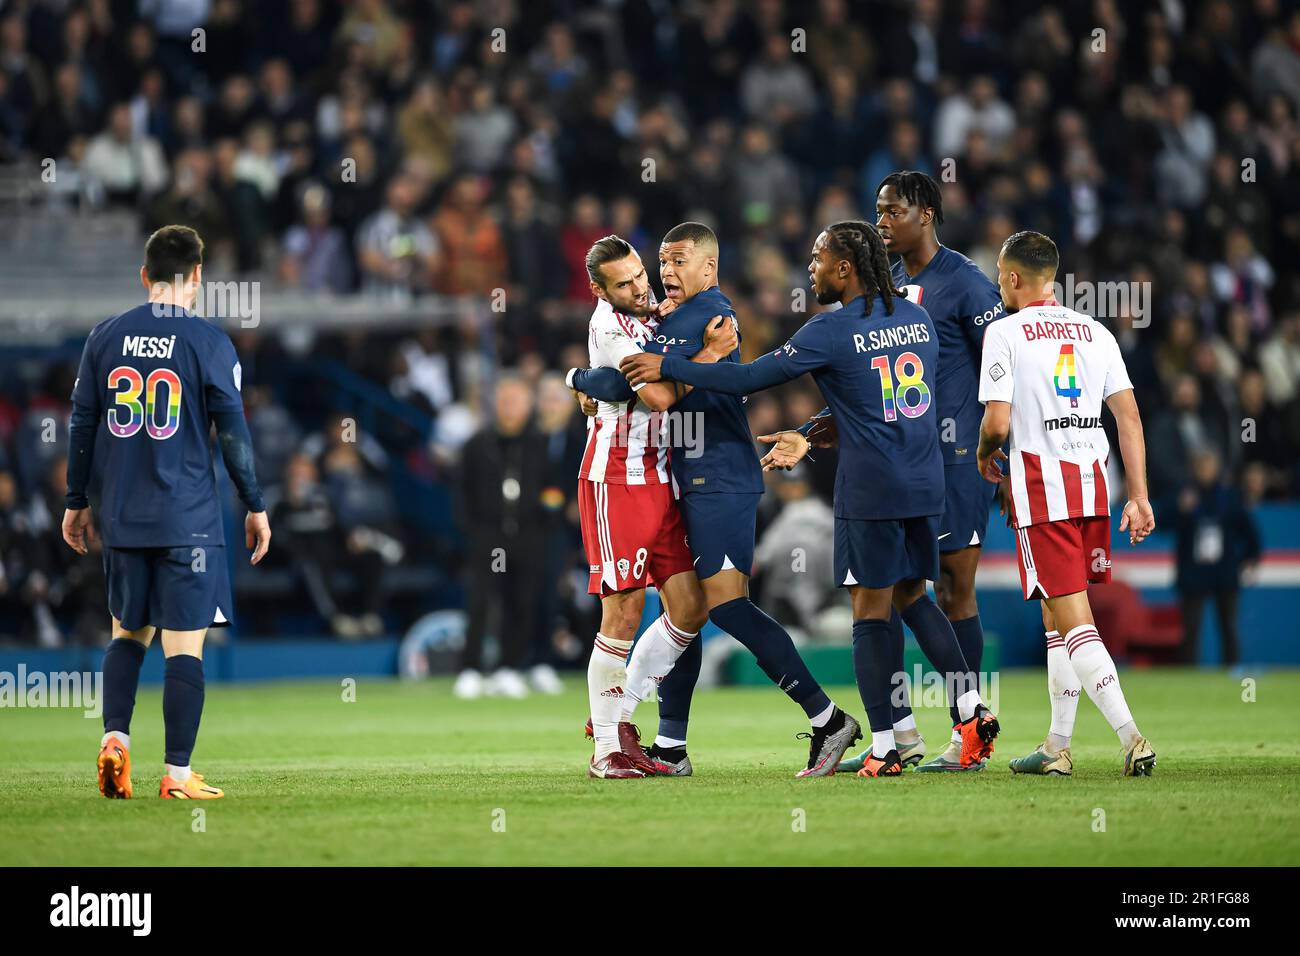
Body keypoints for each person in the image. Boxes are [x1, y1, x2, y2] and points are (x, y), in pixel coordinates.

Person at [621, 221, 999, 778]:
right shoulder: (918, 319)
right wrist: (813, 430)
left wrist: (671, 365)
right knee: (915, 598)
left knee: (869, 617)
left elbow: (751, 376)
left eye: (819, 259)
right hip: (925, 481)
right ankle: (970, 708)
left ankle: (885, 747)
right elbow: (882, 400)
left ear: (845, 268)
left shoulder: (831, 330)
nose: (811, 270)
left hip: (870, 487)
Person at [573, 222, 863, 778]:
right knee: (685, 609)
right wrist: (583, 379)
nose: (661, 274)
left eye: (676, 261)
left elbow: (646, 390)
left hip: (719, 477)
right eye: (660, 262)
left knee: (724, 606)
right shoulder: (659, 317)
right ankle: (670, 745)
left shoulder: (704, 316)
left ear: (709, 267)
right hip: (681, 478)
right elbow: (618, 383)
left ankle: (826, 720)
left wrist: (584, 379)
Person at [63, 225, 271, 800]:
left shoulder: (105, 335)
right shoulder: (207, 341)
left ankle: (115, 741)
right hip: (190, 521)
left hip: (124, 517)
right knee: (185, 646)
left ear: (143, 275)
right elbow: (233, 434)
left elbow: (82, 426)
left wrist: (76, 501)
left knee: (127, 635)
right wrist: (254, 503)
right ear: (199, 276)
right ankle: (177, 775)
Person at [836, 170, 1007, 773]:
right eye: (877, 211)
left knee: (952, 591)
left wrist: (1002, 460)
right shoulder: (891, 285)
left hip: (959, 461)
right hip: (906, 463)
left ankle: (968, 737)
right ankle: (916, 727)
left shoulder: (965, 285)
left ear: (927, 213)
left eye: (892, 211)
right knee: (897, 589)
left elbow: (1003, 373)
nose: (881, 221)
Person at [974, 230, 1157, 777]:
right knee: (1057, 614)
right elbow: (1129, 416)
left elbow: (998, 421)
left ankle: (1132, 738)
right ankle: (1057, 747)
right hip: (1094, 489)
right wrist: (1141, 495)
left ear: (1010, 277)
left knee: (1075, 620)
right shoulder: (1095, 332)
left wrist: (986, 454)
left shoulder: (1004, 333)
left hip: (1042, 493)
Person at [566, 235, 718, 778]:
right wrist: (709, 356)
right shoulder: (610, 326)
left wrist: (577, 380)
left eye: (639, 275)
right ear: (599, 290)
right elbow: (658, 397)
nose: (639, 286)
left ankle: (618, 714)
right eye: (624, 283)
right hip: (615, 479)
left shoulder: (649, 313)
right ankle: (607, 748)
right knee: (624, 610)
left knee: (691, 608)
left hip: (659, 476)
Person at [1170, 449, 1261, 666]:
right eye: (1201, 466)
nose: (1205, 471)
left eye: (1209, 465)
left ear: (1217, 468)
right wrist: (1180, 509)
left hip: (1225, 572)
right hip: (1193, 573)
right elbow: (1163, 521)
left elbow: (1250, 533)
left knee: (1228, 627)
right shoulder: (1184, 494)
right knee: (1190, 629)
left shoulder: (1229, 497)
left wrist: (1249, 558)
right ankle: (1187, 673)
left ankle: (1231, 669)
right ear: (1194, 468)